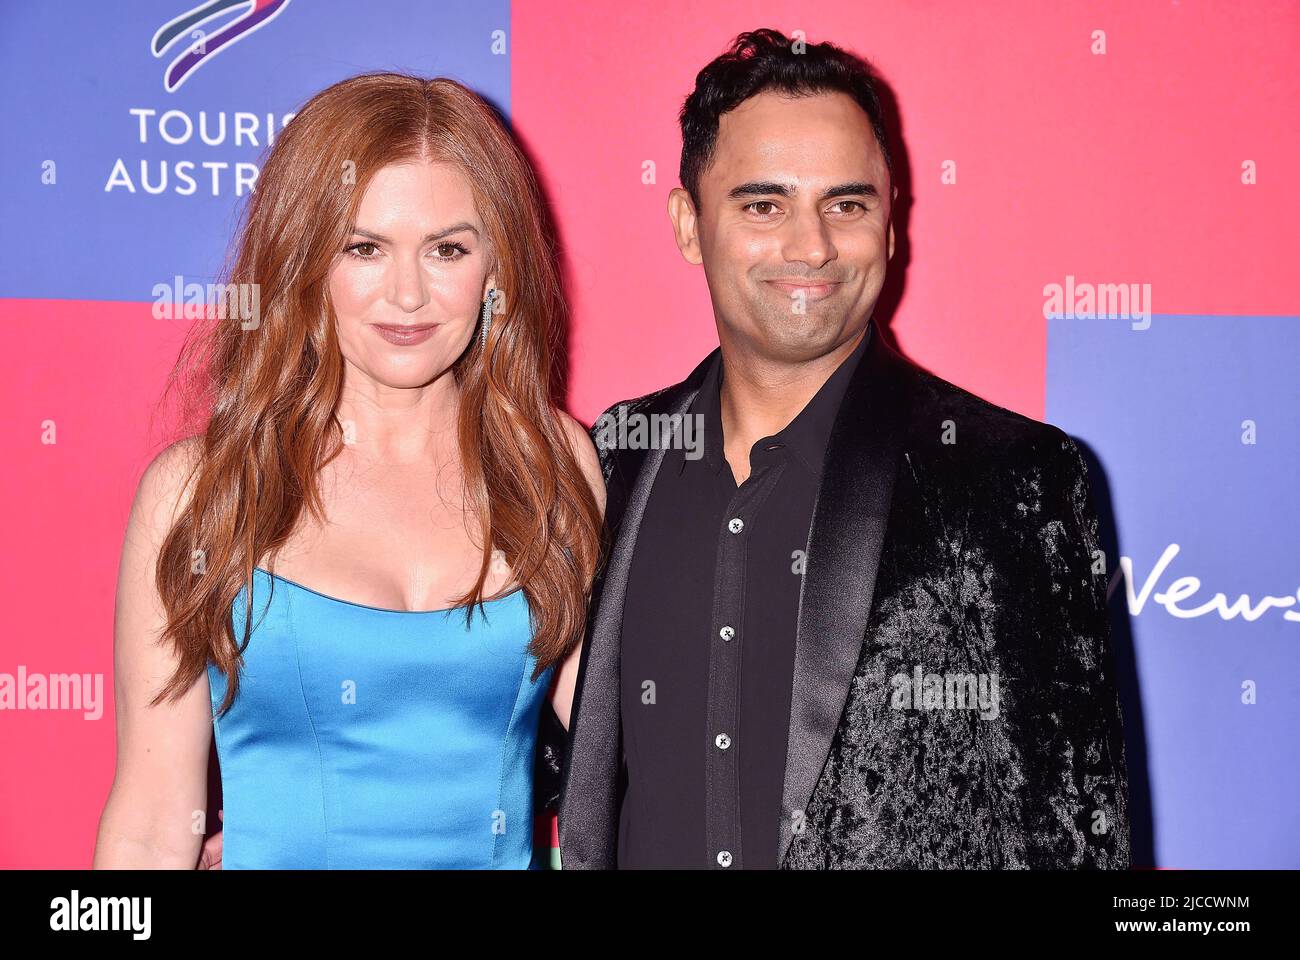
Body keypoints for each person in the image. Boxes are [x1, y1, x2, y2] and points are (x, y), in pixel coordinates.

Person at [558, 29, 1130, 869]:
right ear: (689, 224)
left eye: (846, 204)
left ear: (890, 225)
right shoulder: (612, 461)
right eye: (764, 205)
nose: (811, 246)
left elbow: (1082, 827)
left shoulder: (1013, 478)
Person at [93, 73, 603, 869]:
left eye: (448, 249)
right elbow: (153, 823)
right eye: (363, 248)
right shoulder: (202, 490)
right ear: (302, 261)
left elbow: (622, 762)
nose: (408, 294)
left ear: (495, 267)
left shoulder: (551, 462)